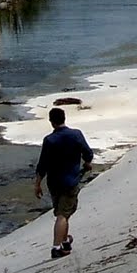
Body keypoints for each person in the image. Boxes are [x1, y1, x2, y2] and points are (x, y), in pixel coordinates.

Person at [34, 106, 94, 259]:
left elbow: (43, 164)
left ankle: (65, 241)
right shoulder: (76, 134)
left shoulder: (49, 140)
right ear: (64, 118)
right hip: (70, 180)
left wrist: (37, 183)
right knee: (63, 215)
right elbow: (88, 153)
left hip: (54, 182)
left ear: (51, 122)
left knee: (62, 213)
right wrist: (87, 163)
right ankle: (56, 247)